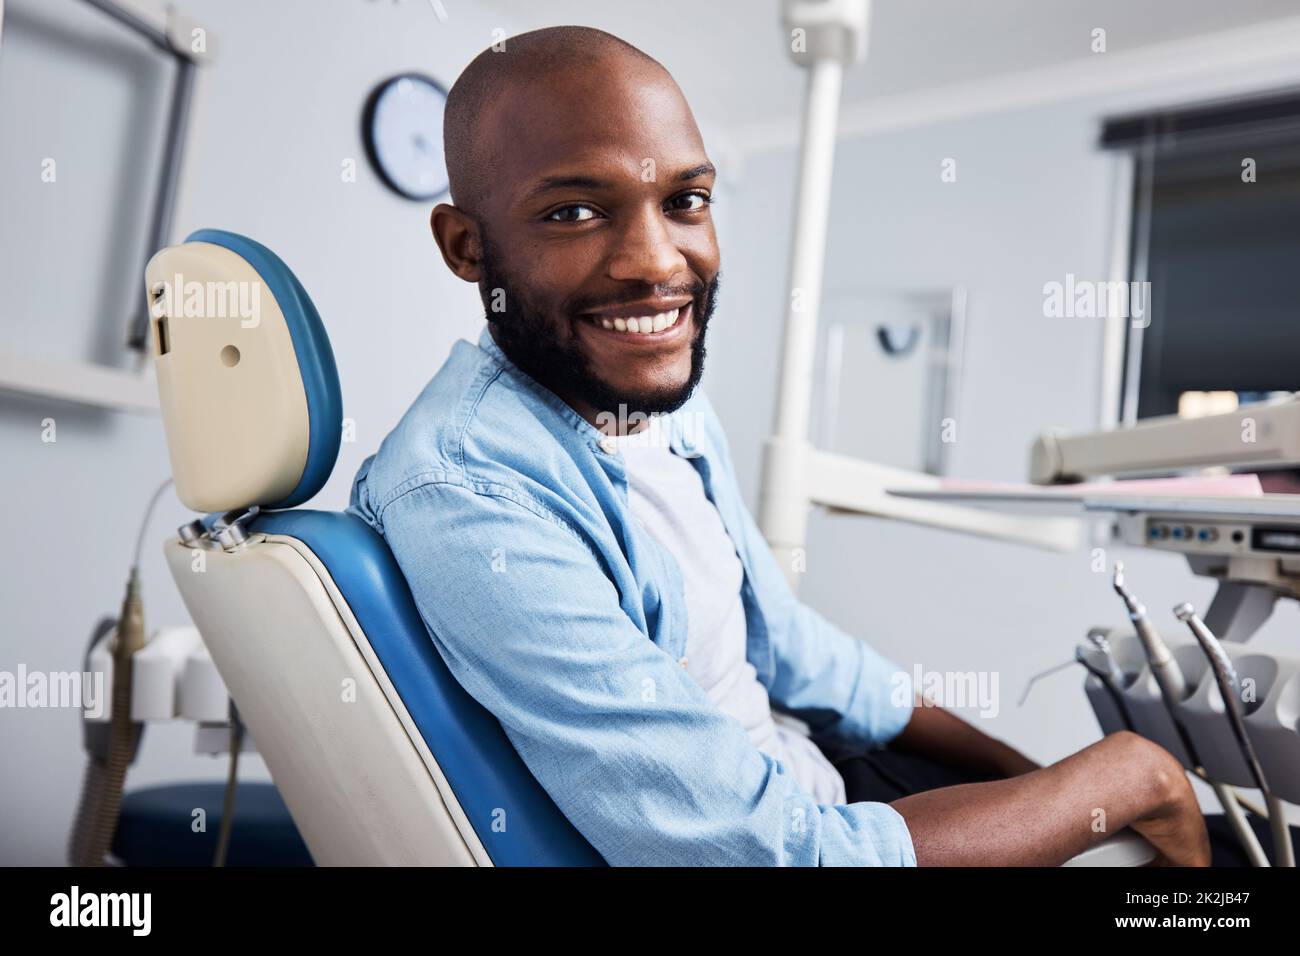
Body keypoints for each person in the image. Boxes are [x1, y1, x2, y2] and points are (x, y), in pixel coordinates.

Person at [348, 25, 1212, 866]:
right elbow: (768, 855)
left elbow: (789, 645)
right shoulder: (472, 496)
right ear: (467, 247)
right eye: (574, 212)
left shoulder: (657, 401)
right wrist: (1130, 776)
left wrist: (1041, 783)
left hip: (832, 787)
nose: (657, 262)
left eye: (685, 201)